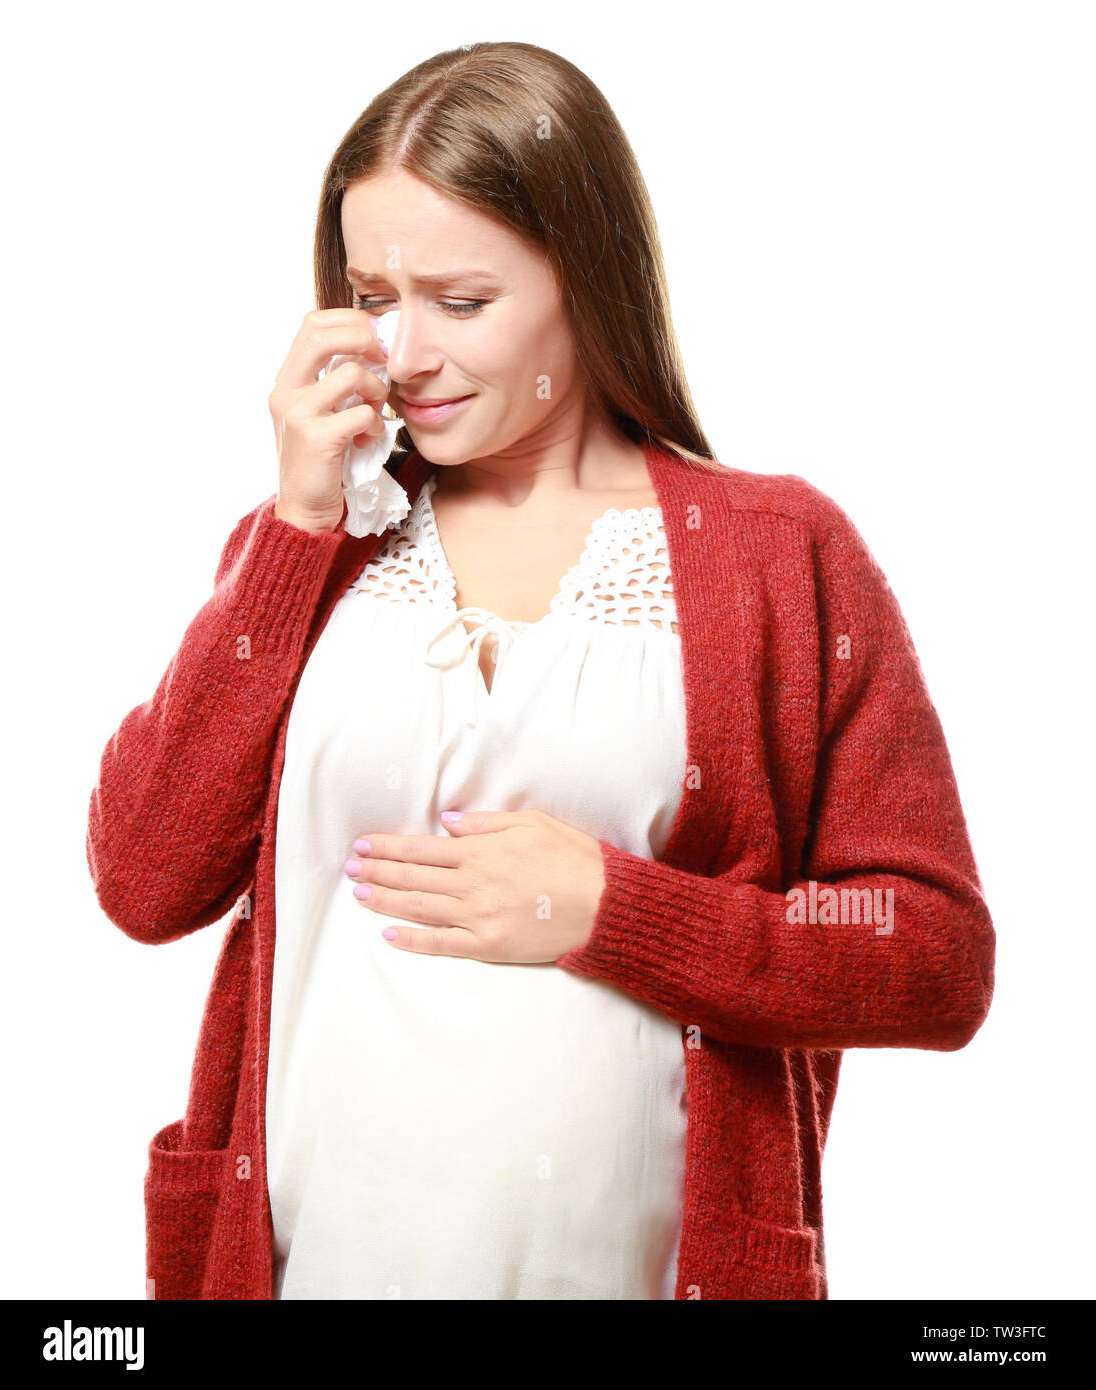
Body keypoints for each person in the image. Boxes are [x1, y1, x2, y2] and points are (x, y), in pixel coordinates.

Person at [86, 41, 995, 1301]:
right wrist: (296, 530)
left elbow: (926, 953)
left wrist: (616, 915)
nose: (405, 354)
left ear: (588, 280)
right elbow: (142, 873)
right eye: (373, 296)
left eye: (462, 302)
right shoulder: (308, 550)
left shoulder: (779, 556)